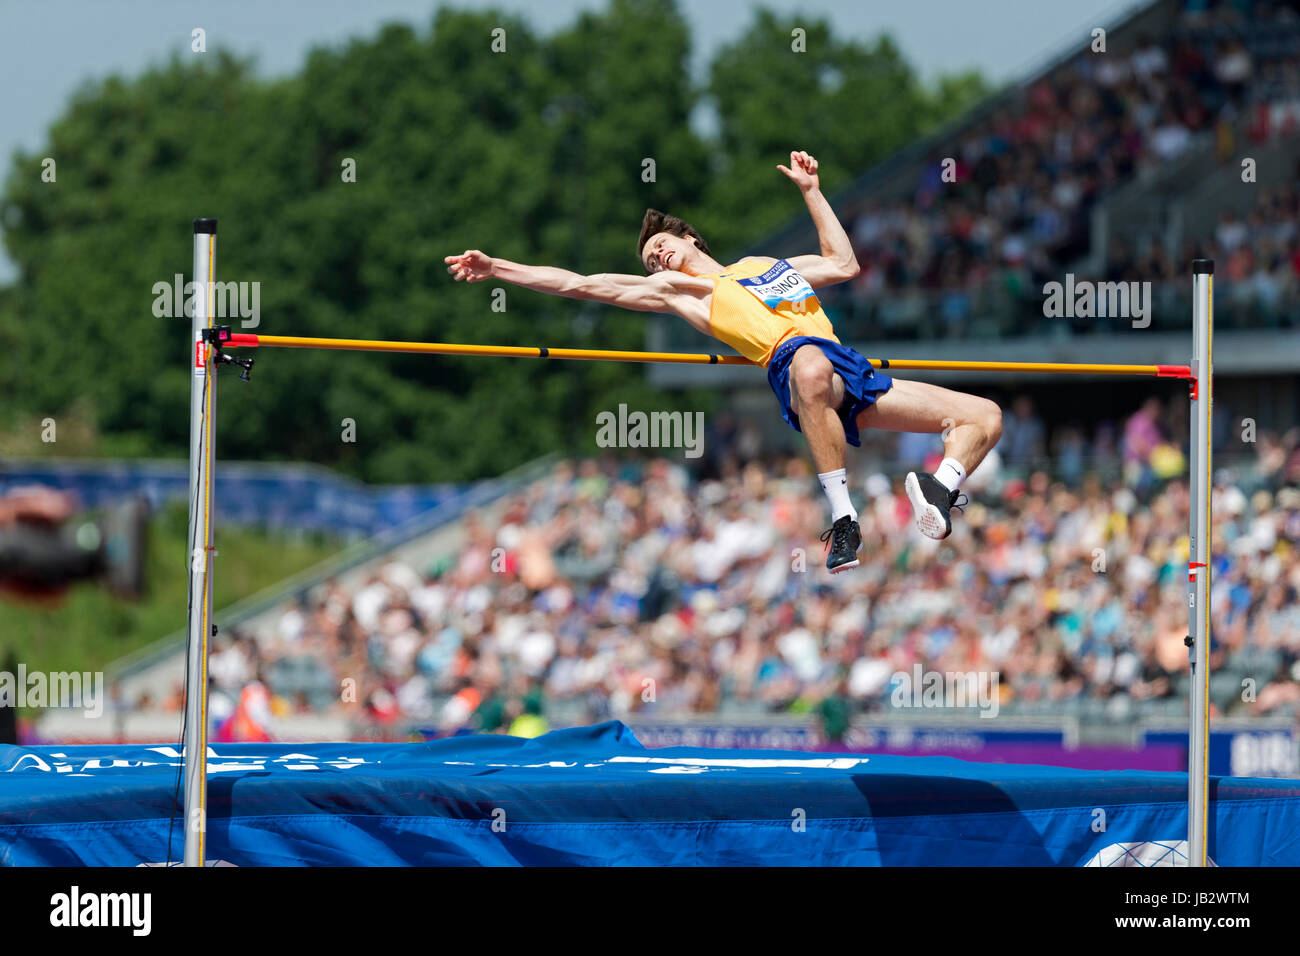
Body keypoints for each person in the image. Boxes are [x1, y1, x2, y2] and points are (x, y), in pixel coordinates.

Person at [446, 150, 1002, 572]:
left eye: (661, 245)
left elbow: (844, 262)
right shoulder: (680, 291)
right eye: (649, 260)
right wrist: (500, 268)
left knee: (985, 416)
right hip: (801, 369)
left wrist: (811, 190)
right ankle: (843, 517)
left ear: (688, 236)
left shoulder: (763, 264)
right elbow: (581, 284)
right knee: (808, 365)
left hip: (848, 370)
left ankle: (938, 489)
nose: (656, 257)